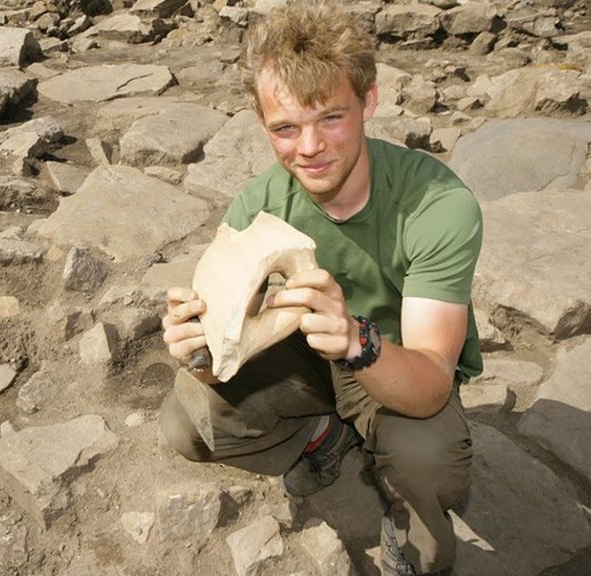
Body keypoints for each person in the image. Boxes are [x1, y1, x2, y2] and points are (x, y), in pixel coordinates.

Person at [158, 2, 482, 575]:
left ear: (368, 102)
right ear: (264, 125)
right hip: (299, 360)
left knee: (428, 466)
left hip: (391, 359)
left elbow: (432, 382)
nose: (308, 148)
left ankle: (401, 514)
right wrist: (200, 353)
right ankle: (321, 436)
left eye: (330, 118)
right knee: (186, 426)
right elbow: (227, 357)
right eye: (285, 128)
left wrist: (357, 339)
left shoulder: (437, 206)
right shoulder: (255, 207)